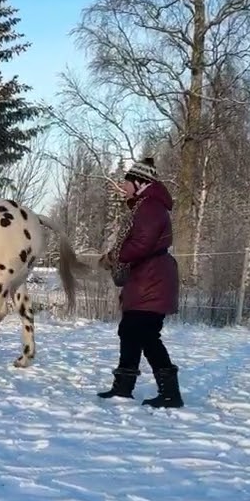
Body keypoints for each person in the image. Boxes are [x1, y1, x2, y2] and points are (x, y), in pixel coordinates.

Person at [96, 156, 183, 408]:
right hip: (146, 278)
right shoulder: (146, 205)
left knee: (145, 335)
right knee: (130, 332)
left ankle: (170, 393)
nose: (123, 187)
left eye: (127, 182)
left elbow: (140, 244)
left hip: (152, 280)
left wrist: (114, 257)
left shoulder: (150, 207)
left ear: (139, 182)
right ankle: (124, 387)